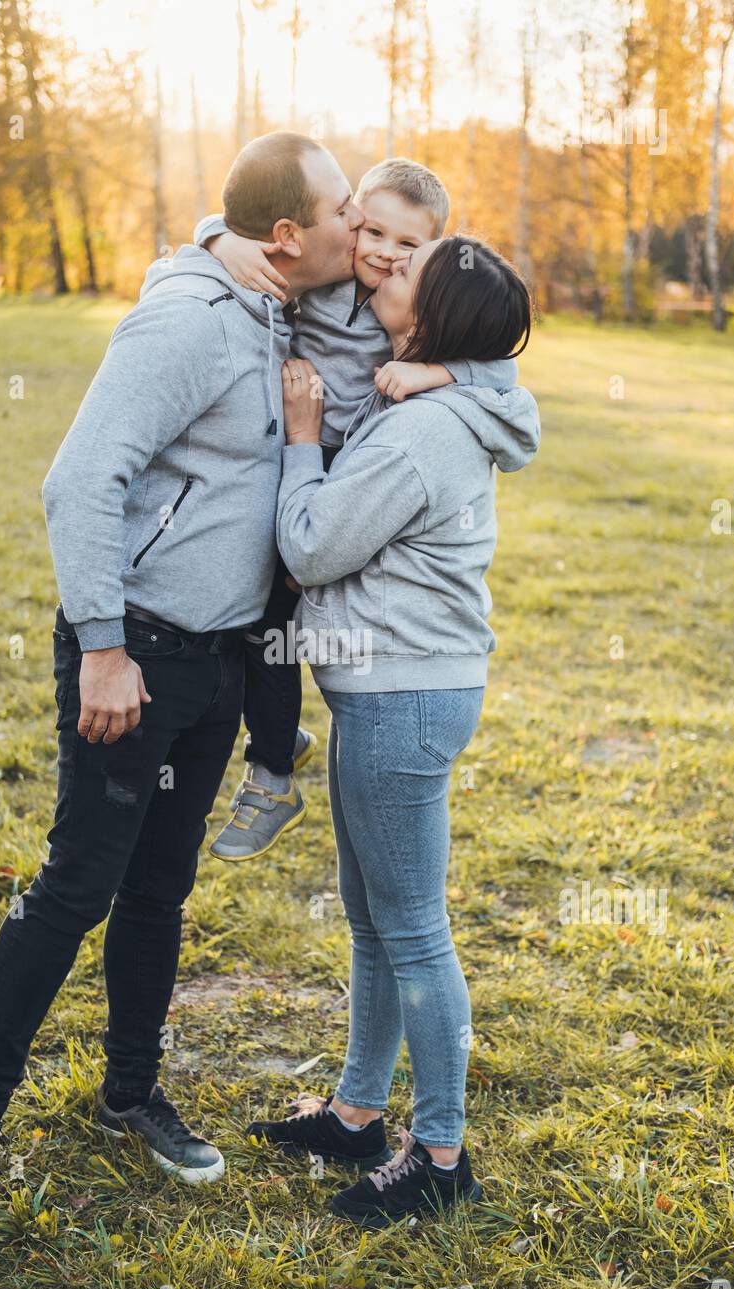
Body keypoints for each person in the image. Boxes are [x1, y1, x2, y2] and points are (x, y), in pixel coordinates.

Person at [0, 132, 364, 1226]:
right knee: (77, 884)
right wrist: (106, 646)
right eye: (343, 208)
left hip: (220, 659)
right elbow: (78, 479)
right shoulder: (186, 319)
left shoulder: (278, 304)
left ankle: (129, 1093)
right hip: (137, 654)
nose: (358, 226)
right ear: (285, 235)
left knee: (160, 890)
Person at [247, 233, 540, 1229]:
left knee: (412, 933)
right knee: (374, 922)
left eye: (405, 269)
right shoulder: (431, 397)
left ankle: (441, 1153)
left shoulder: (425, 433)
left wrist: (298, 433)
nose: (384, 269)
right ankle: (357, 1112)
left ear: (432, 316)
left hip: (401, 696)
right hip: (387, 691)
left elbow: (311, 544)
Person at [194, 159, 474, 862]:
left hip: (341, 491)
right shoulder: (320, 281)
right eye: (372, 230)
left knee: (277, 618)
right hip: (281, 466)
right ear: (352, 223)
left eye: (406, 245)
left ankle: (273, 772)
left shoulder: (416, 309)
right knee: (251, 622)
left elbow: (497, 366)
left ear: (432, 252)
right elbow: (251, 228)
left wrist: (434, 369)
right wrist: (215, 241)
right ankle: (276, 739)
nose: (383, 252)